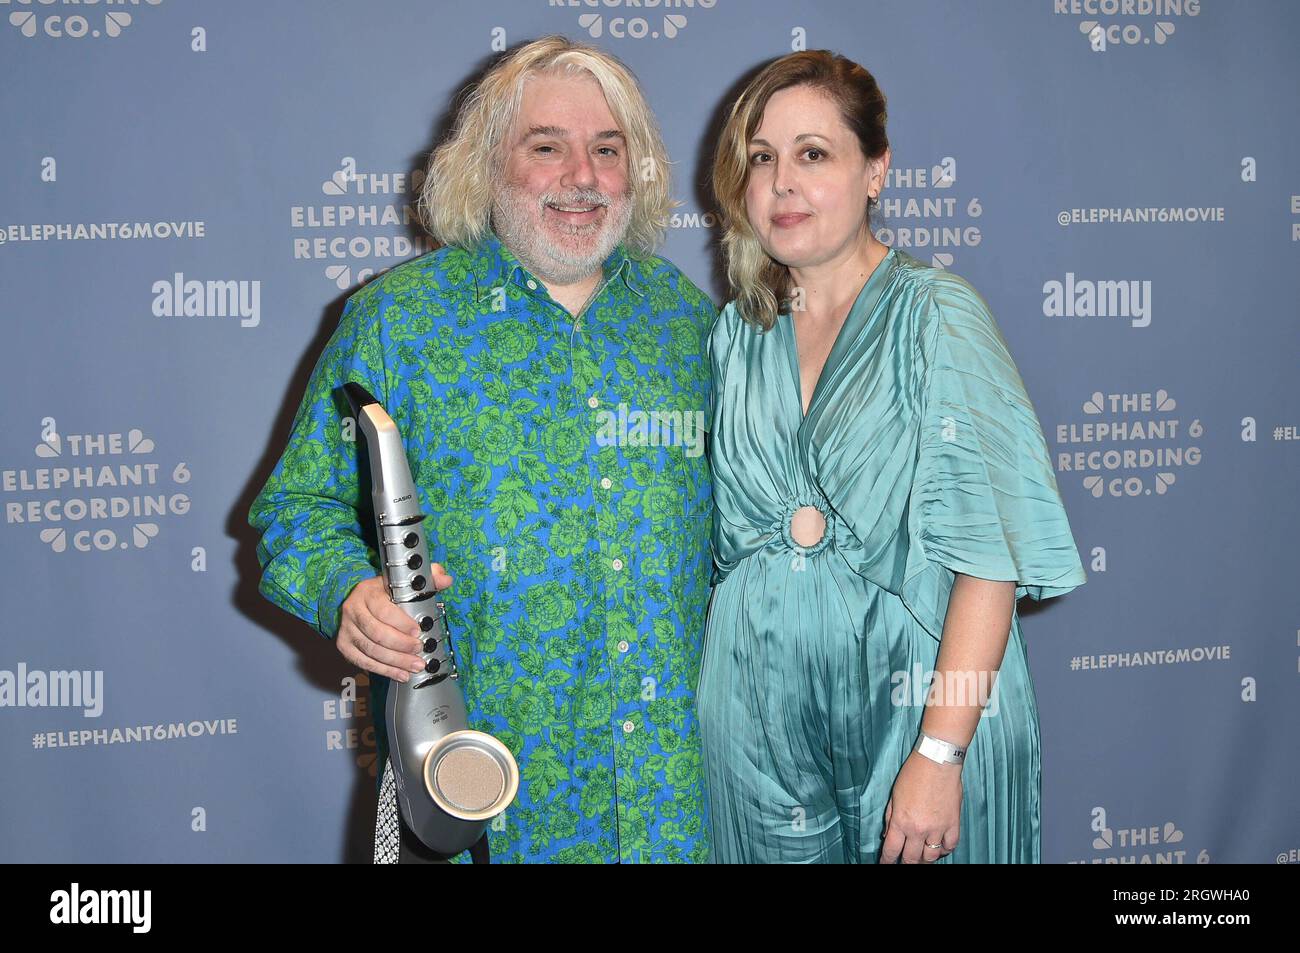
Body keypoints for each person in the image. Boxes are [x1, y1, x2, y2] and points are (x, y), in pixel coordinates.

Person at [247, 35, 717, 863]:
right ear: (486, 166)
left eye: (608, 149)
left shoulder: (683, 323)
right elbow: (296, 510)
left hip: (675, 803)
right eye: (547, 147)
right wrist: (348, 594)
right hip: (487, 798)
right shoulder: (401, 321)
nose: (583, 176)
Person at [697, 50, 1088, 864]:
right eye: (761, 159)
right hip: (759, 731)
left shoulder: (936, 316)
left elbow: (990, 560)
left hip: (916, 717)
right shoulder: (735, 336)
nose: (781, 184)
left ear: (876, 170)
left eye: (813, 154)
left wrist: (940, 754)